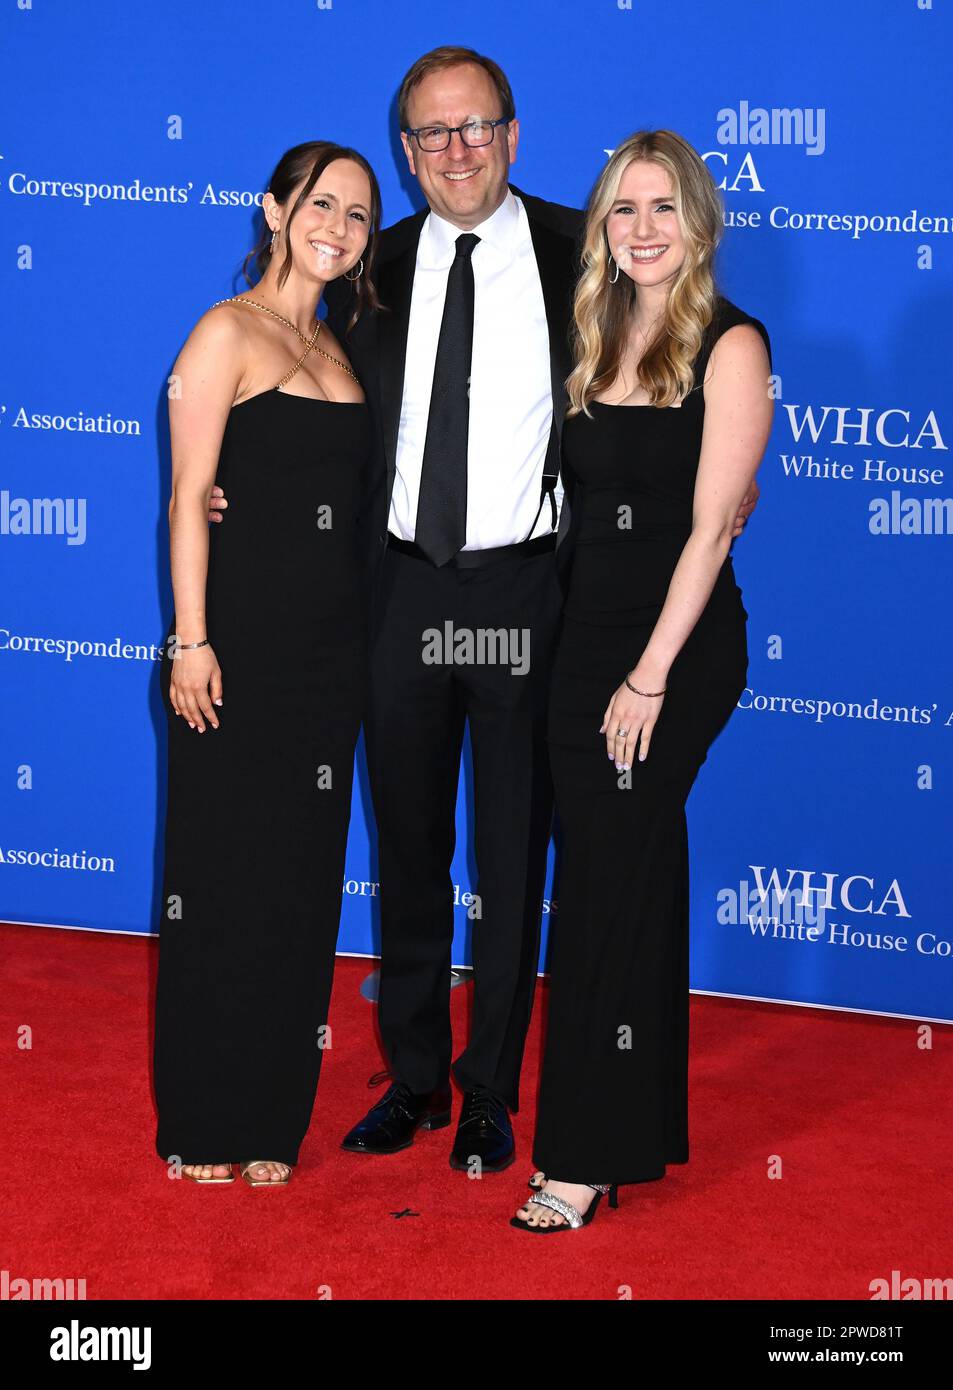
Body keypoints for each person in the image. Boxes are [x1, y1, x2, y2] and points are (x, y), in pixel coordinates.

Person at [208, 48, 759, 1178]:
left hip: (527, 593)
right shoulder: (376, 264)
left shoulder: (583, 254)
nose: (455, 151)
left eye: (476, 128)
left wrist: (725, 489)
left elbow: (673, 398)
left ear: (512, 134)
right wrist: (232, 481)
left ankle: (489, 1093)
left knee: (511, 856)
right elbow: (296, 391)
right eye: (430, 135)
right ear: (406, 153)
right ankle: (411, 1079)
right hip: (401, 586)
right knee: (408, 846)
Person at [510, 131, 773, 1232]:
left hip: (673, 651)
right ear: (602, 228)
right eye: (623, 210)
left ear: (697, 220)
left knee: (602, 890)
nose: (643, 229)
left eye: (663, 207)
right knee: (633, 871)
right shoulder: (592, 332)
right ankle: (640, 1127)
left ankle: (577, 1156)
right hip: (582, 638)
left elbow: (713, 522)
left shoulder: (728, 340)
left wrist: (650, 677)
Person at [153, 142, 380, 1187]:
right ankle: (204, 1115)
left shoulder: (344, 351)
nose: (337, 224)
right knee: (220, 880)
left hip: (329, 663)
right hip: (233, 651)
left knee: (297, 890)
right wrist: (190, 639)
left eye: (358, 214)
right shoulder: (223, 331)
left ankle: (270, 1119)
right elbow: (186, 494)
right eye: (320, 203)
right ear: (275, 210)